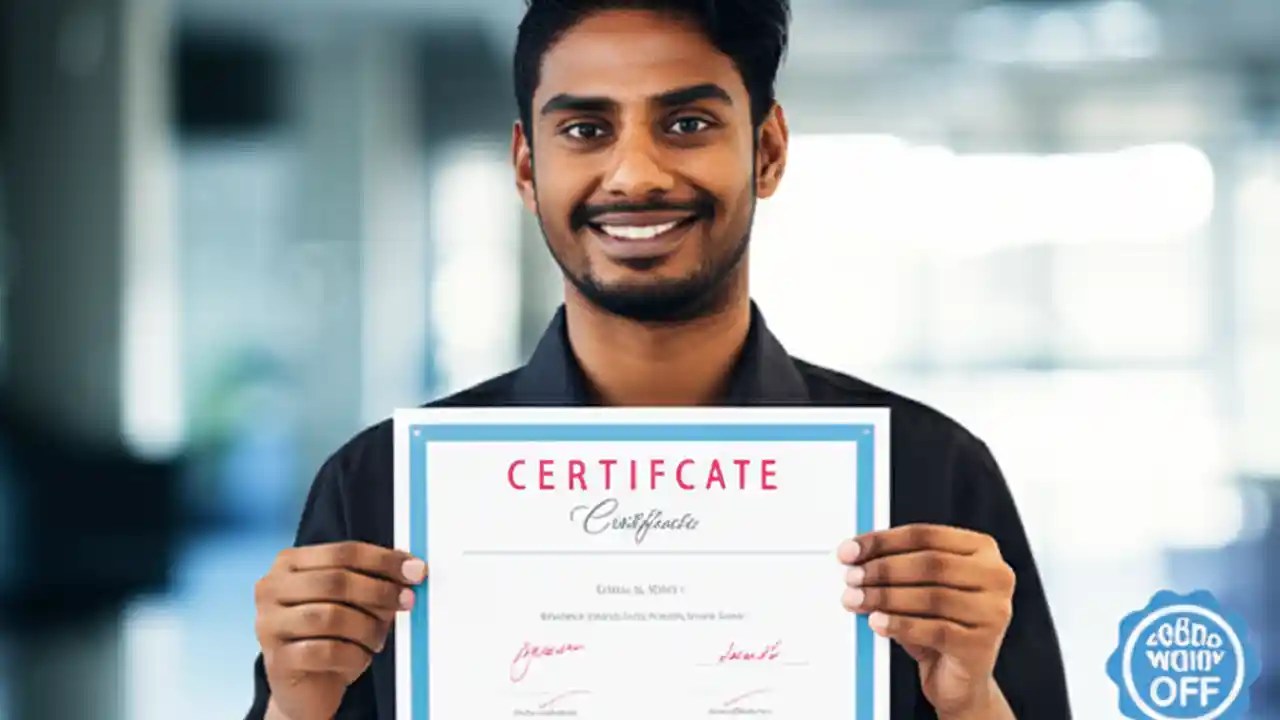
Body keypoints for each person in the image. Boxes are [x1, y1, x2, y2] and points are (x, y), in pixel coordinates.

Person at [247, 1, 1072, 718]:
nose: (635, 175)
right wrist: (295, 709)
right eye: (585, 129)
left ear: (769, 150)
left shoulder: (930, 477)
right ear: (528, 168)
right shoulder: (381, 488)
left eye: (687, 123)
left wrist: (970, 703)